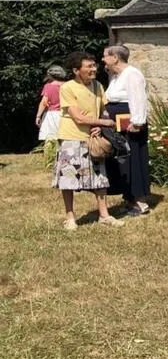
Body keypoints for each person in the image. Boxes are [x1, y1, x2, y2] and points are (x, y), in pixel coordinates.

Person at [52, 51, 124, 230]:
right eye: (89, 66)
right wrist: (104, 122)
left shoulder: (98, 85)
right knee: (68, 180)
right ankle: (70, 218)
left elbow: (103, 111)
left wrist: (100, 124)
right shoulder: (67, 88)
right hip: (71, 138)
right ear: (77, 70)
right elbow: (78, 118)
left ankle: (104, 215)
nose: (94, 69)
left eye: (94, 65)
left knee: (100, 179)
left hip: (93, 139)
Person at [101, 45, 151, 216]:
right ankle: (129, 198)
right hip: (118, 126)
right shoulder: (116, 77)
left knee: (134, 160)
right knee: (122, 163)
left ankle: (140, 201)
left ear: (115, 57)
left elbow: (138, 98)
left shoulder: (132, 74)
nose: (103, 59)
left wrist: (137, 122)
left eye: (105, 56)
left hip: (130, 126)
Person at [36, 65, 67, 143]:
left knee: (50, 139)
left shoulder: (48, 86)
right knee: (64, 139)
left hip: (51, 115)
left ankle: (51, 155)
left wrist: (38, 116)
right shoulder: (67, 85)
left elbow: (44, 103)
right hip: (65, 114)